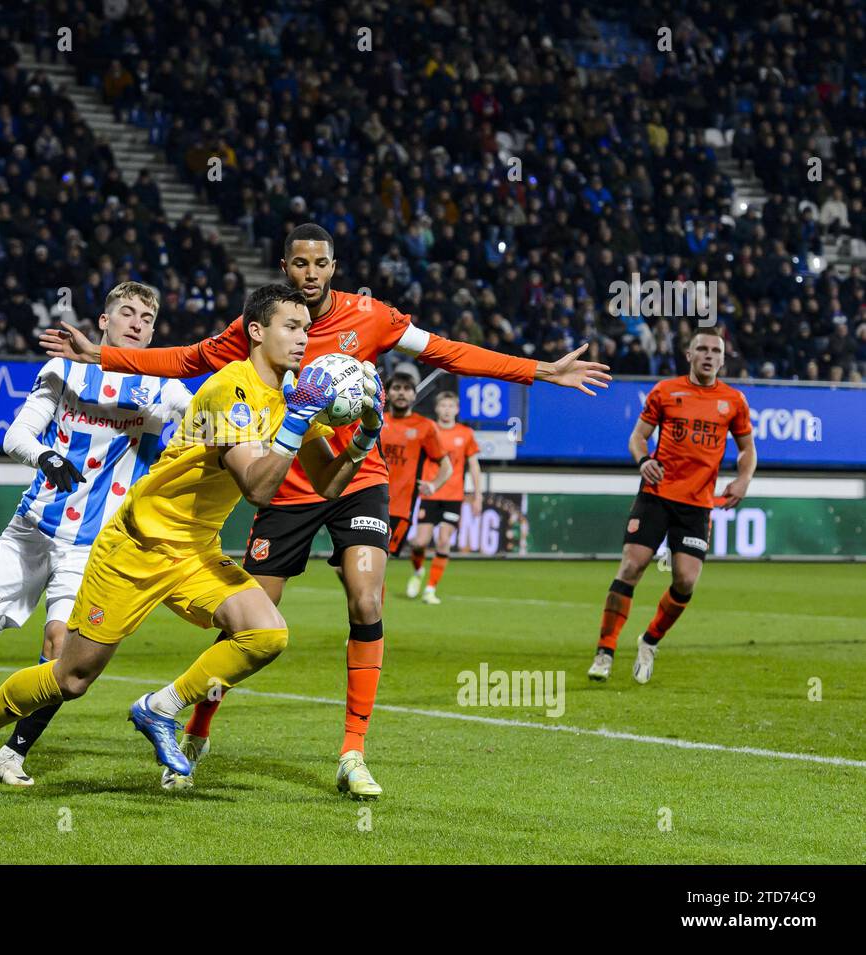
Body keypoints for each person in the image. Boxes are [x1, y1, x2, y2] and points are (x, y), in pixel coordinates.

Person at [40, 222, 610, 798]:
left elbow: (448, 352)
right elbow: (188, 358)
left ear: (334, 267)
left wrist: (540, 371)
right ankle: (197, 723)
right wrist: (105, 355)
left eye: (320, 264)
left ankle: (353, 752)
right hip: (286, 483)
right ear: (284, 267)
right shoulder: (261, 326)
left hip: (356, 476)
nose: (310, 274)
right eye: (299, 264)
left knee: (366, 598)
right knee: (255, 617)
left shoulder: (373, 317)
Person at [0, 284, 379, 797]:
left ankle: (159, 709)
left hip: (195, 553)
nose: (304, 338)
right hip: (137, 546)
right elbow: (259, 489)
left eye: (308, 328)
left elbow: (326, 484)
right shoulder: (229, 390)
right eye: (292, 326)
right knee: (72, 678)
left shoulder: (289, 398)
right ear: (257, 332)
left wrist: (360, 442)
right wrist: (300, 419)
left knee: (267, 633)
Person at [0, 282, 192, 787]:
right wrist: (45, 456)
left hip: (94, 548)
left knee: (61, 657)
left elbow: (209, 421)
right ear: (103, 322)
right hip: (32, 529)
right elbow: (15, 435)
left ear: (154, 331)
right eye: (127, 313)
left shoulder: (166, 389)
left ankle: (12, 753)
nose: (136, 323)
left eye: (146, 318)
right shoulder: (64, 370)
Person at [587, 330, 757, 683]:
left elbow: (746, 449)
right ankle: (605, 651)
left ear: (723, 360)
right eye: (702, 349)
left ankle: (649, 641)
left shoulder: (734, 401)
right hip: (657, 494)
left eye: (716, 351)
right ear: (689, 355)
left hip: (696, 504)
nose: (709, 356)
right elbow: (637, 436)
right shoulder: (666, 391)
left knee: (685, 580)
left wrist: (743, 479)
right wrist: (642, 459)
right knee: (632, 567)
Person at [409, 391, 483, 604]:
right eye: (444, 405)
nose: (447, 410)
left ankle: (430, 589)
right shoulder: (428, 430)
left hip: (453, 496)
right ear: (437, 409)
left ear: (457, 410)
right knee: (419, 542)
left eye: (451, 406)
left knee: (443, 541)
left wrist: (477, 496)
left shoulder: (466, 433)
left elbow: (474, 466)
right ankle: (418, 572)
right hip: (430, 493)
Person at [380, 362, 451, 563]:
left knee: (377, 563)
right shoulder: (376, 421)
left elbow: (446, 466)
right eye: (396, 388)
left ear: (414, 395)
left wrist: (433, 485)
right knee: (345, 566)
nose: (401, 393)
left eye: (407, 389)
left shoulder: (424, 427)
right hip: (368, 502)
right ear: (388, 393)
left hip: (399, 509)